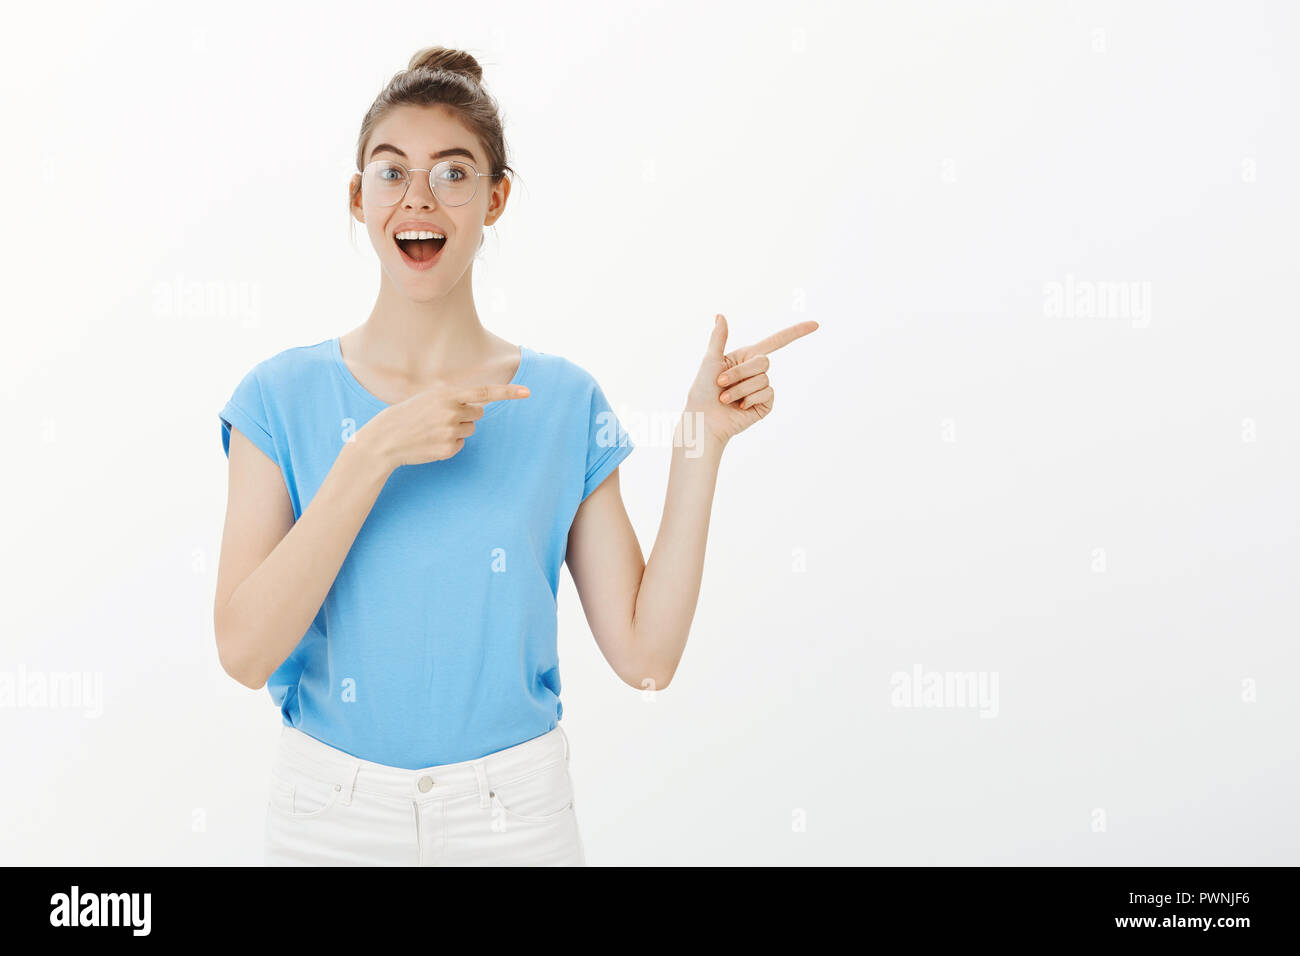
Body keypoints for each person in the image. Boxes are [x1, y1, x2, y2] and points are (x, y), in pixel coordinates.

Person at [213, 45, 818, 866]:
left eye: (454, 173)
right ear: (358, 199)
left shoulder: (564, 403)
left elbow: (647, 659)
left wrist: (699, 440)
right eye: (391, 173)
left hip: (514, 821)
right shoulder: (279, 397)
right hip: (331, 819)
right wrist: (379, 448)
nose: (418, 198)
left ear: (496, 198)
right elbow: (245, 655)